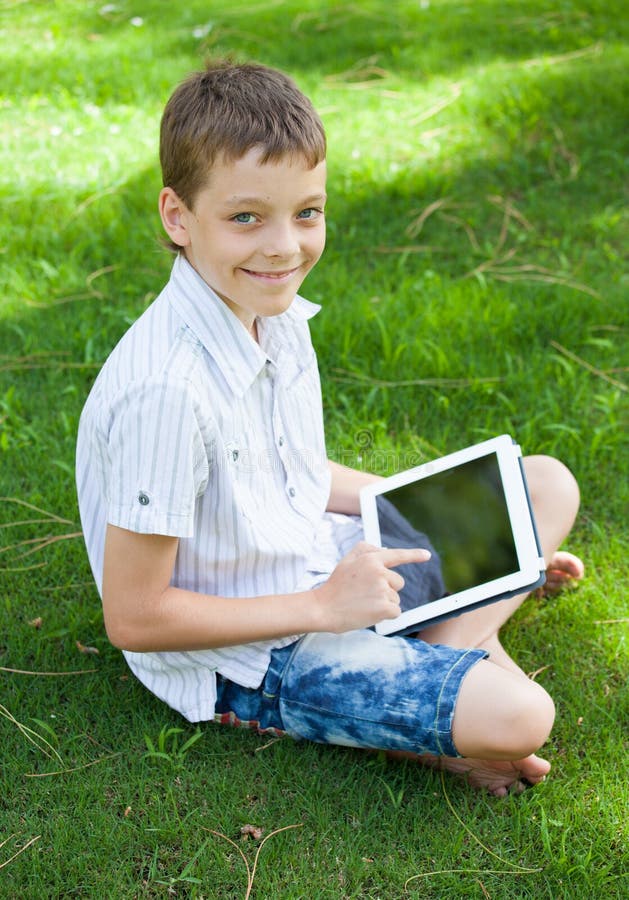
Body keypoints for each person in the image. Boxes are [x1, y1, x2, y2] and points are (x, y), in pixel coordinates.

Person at [76, 60, 584, 797]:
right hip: (250, 652)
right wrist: (325, 608)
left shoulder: (269, 314)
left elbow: (296, 476)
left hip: (316, 561)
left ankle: (454, 641)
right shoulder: (167, 392)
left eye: (305, 213)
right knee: (521, 715)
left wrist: (449, 510)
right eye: (245, 217)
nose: (284, 247)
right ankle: (452, 670)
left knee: (538, 483)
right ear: (177, 216)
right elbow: (133, 616)